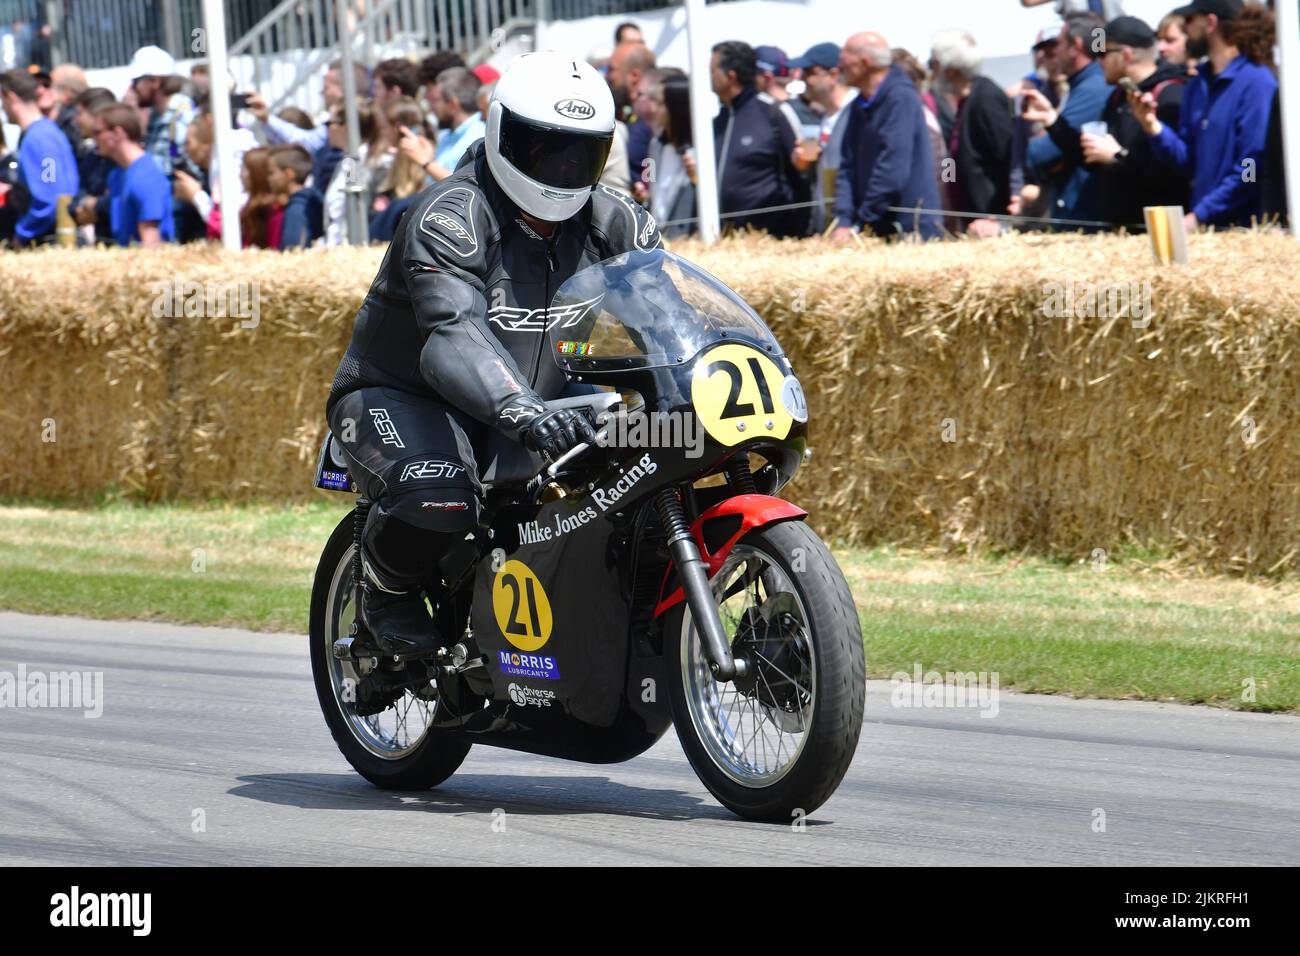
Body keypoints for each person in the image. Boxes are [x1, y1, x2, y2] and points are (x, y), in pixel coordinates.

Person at [323, 51, 662, 656]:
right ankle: (385, 589)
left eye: (579, 152)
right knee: (439, 492)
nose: (562, 168)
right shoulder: (450, 215)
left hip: (542, 400)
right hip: (405, 395)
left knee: (654, 460)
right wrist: (527, 414)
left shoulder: (618, 221)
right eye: (545, 148)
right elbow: (451, 334)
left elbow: (668, 313)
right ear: (501, 132)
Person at [1029, 15, 1188, 229]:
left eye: (1102, 53)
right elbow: (1094, 161)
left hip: (1160, 233)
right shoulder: (1118, 97)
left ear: (1127, 55)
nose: (1098, 61)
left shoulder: (1171, 95)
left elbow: (1175, 172)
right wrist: (1052, 121)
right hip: (1121, 234)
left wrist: (1118, 157)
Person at [1132, 0, 1275, 230]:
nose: (1185, 28)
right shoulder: (1197, 84)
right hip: (1207, 234)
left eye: (1190, 20)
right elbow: (1188, 161)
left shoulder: (1257, 83)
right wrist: (1153, 127)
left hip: (1244, 234)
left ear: (1210, 22)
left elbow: (1251, 168)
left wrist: (1199, 216)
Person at [831, 32, 943, 240]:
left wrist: (862, 224)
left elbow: (893, 167)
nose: (839, 66)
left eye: (844, 58)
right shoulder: (859, 106)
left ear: (865, 62)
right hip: (874, 227)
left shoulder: (900, 98)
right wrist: (843, 221)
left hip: (909, 230)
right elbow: (847, 166)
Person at [1021, 12, 1111, 228]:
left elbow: (1042, 154)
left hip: (1085, 216)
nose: (1054, 52)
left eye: (1059, 44)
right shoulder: (1085, 84)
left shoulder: (1093, 88)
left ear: (1075, 47)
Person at [710, 40, 804, 237]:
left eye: (712, 72)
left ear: (730, 76)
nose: (709, 79)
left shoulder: (774, 114)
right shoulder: (718, 121)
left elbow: (802, 175)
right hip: (724, 242)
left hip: (769, 239)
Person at [930, 31, 1014, 234]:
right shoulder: (967, 100)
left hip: (990, 219)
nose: (930, 71)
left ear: (950, 69)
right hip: (974, 219)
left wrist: (1003, 218)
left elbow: (1007, 157)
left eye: (933, 64)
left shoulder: (986, 98)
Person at [0, 69, 79, 246]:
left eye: (2, 101)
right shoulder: (41, 133)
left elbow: (49, 195)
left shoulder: (40, 139)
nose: (3, 109)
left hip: (48, 240)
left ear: (10, 97)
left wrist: (21, 234)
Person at [790, 42, 855, 233]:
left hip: (849, 229)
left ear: (833, 75)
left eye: (809, 73)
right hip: (832, 228)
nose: (804, 80)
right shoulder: (827, 116)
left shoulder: (856, 112)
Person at [94, 102, 173, 247]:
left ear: (118, 133)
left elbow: (152, 241)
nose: (94, 138)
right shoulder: (117, 175)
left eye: (98, 132)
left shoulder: (146, 177)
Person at [395, 67, 484, 184]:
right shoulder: (446, 135)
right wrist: (427, 154)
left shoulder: (479, 136)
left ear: (453, 104)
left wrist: (425, 161)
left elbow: (465, 185)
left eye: (435, 101)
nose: (431, 109)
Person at [642, 72, 696, 235]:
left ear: (676, 108)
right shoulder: (655, 145)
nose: (653, 109)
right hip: (657, 239)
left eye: (659, 103)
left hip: (685, 241)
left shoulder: (697, 154)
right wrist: (643, 193)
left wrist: (696, 179)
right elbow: (649, 182)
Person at [606, 41, 657, 182]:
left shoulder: (653, 118)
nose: (607, 76)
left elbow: (655, 162)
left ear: (634, 76)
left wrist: (647, 187)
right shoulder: (629, 115)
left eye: (611, 69)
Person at [270, 144, 322, 249]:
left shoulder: (297, 211)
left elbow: (292, 252)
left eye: (271, 173)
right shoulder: (305, 203)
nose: (268, 178)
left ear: (289, 174)